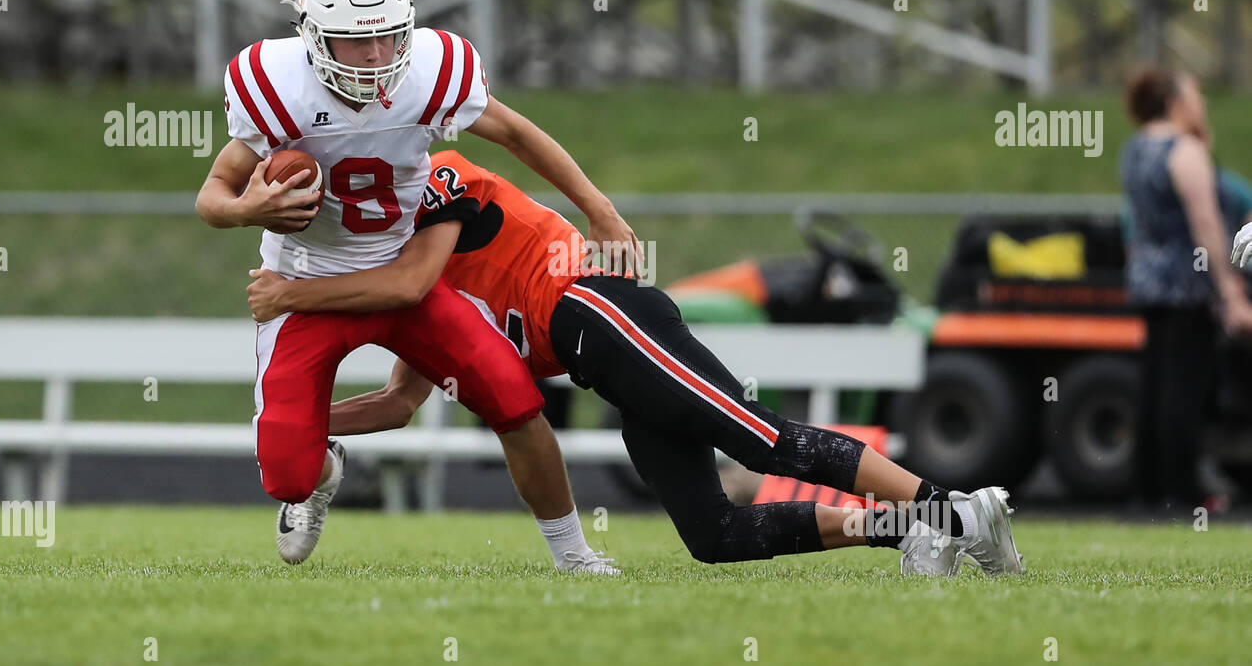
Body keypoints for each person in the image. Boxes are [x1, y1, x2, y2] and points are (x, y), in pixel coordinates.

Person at [247, 150, 1026, 577]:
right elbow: (397, 403)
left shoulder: (427, 188)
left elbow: (413, 273)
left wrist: (297, 292)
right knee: (713, 534)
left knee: (762, 439)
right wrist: (299, 428)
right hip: (604, 365)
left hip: (601, 312)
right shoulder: (413, 288)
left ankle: (956, 510)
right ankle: (912, 532)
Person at [195, 0, 640, 573]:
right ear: (314, 38)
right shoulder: (276, 86)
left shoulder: (432, 71)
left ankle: (573, 555)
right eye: (357, 42)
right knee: (287, 475)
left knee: (515, 401)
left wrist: (598, 207)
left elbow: (515, 133)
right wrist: (248, 212)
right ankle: (321, 470)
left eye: (387, 37)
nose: (377, 57)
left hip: (405, 270)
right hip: (306, 278)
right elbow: (211, 197)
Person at [1119, 66, 1252, 513]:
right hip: (1184, 285)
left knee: (1155, 384)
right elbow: (1207, 224)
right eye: (1195, 94)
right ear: (1176, 101)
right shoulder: (1184, 150)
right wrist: (1230, 291)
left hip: (1149, 282)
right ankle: (1180, 491)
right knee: (1184, 389)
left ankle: (1147, 490)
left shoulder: (1136, 149)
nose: (1201, 102)